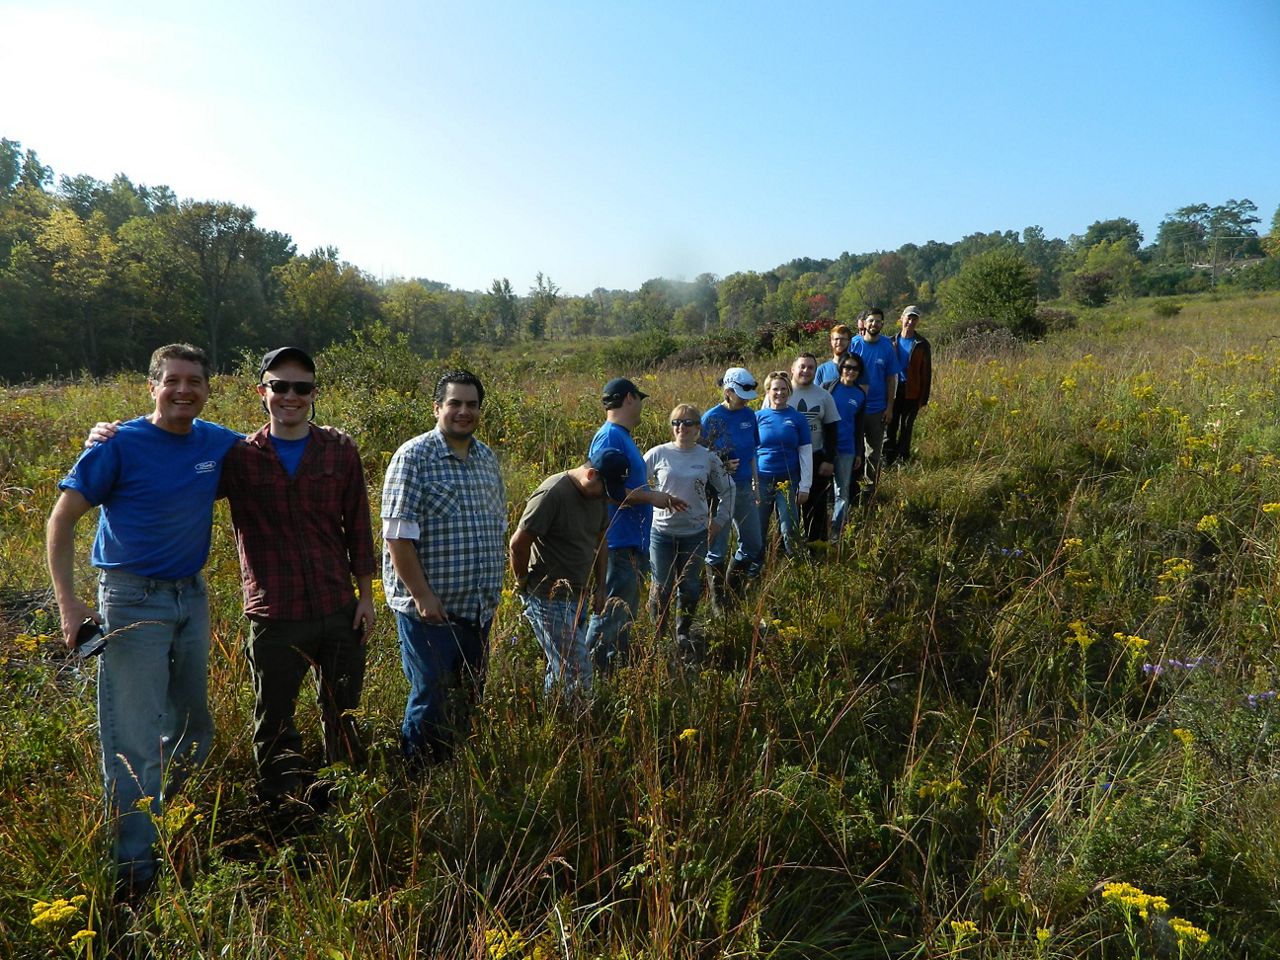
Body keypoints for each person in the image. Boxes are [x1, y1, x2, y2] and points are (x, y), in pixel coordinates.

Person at [46, 343, 242, 901]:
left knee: (191, 725)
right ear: (152, 386)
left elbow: (273, 445)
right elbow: (61, 522)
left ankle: (179, 834)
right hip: (132, 600)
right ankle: (135, 870)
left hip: (191, 597)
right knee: (132, 738)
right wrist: (70, 604)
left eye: (194, 381)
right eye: (172, 381)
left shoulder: (216, 442)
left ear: (208, 389)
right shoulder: (119, 445)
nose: (184, 390)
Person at [219, 347, 377, 808]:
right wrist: (111, 435)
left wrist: (365, 597)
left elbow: (359, 525)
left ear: (312, 394)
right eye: (279, 386)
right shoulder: (240, 456)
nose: (290, 396)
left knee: (342, 710)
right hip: (275, 612)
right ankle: (281, 803)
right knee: (274, 715)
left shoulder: (340, 449)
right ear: (262, 392)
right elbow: (174, 455)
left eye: (301, 388)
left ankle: (344, 795)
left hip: (336, 606)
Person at [382, 370, 507, 767]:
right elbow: (398, 536)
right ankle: (418, 780)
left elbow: (495, 524)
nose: (463, 412)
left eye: (471, 404)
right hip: (430, 613)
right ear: (437, 408)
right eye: (454, 403)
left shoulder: (486, 457)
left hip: (476, 608)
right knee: (431, 696)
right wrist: (422, 596)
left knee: (469, 694)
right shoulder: (414, 457)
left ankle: (455, 773)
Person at [584, 377, 688, 673]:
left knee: (623, 614)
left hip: (631, 540)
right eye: (639, 399)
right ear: (629, 398)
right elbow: (606, 490)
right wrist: (652, 496)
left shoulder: (621, 436)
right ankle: (595, 676)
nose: (641, 405)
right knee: (611, 615)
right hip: (618, 542)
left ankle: (614, 672)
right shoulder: (610, 438)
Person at [509, 450, 627, 699]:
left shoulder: (598, 497)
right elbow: (518, 544)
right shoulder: (553, 493)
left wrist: (601, 586)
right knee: (578, 669)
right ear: (592, 474)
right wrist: (522, 583)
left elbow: (601, 540)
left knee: (560, 666)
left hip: (579, 595)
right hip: (547, 597)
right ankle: (581, 728)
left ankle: (553, 717)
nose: (605, 498)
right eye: (605, 491)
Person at [644, 405, 735, 655]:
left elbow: (728, 489)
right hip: (661, 533)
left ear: (698, 428)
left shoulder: (707, 457)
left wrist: (719, 521)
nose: (681, 428)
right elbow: (637, 487)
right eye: (676, 423)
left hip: (695, 534)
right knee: (661, 587)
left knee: (691, 587)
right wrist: (656, 499)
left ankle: (682, 632)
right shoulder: (657, 454)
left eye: (687, 423)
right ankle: (659, 636)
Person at [700, 367, 762, 604]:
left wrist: (755, 482)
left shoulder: (749, 415)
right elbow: (699, 457)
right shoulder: (711, 418)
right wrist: (720, 466)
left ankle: (733, 590)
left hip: (745, 486)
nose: (746, 401)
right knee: (717, 546)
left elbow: (752, 452)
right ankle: (719, 603)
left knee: (753, 542)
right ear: (727, 392)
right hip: (719, 491)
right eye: (741, 395)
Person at [755, 371, 812, 557]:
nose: (779, 393)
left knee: (789, 527)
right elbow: (750, 451)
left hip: (788, 480)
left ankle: (795, 563)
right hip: (762, 479)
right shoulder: (757, 417)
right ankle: (757, 566)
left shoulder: (797, 418)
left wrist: (805, 485)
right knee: (759, 527)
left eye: (783, 389)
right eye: (775, 389)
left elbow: (805, 452)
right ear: (768, 392)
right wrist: (752, 479)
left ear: (789, 391)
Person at [788, 353, 841, 545]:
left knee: (816, 506)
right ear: (793, 369)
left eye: (811, 367)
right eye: (802, 366)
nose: (806, 371)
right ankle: (789, 547)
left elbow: (833, 430)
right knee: (787, 507)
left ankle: (815, 546)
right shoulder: (779, 393)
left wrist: (828, 460)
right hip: (787, 459)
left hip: (816, 458)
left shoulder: (823, 396)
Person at [849, 306, 901, 500]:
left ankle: (869, 493)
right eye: (871, 320)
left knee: (873, 454)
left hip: (877, 410)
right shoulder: (855, 344)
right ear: (865, 322)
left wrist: (890, 407)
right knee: (853, 452)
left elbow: (890, 379)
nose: (874, 324)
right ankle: (851, 491)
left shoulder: (887, 346)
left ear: (882, 324)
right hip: (855, 409)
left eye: (878, 321)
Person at [885, 305, 933, 466]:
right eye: (908, 318)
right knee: (890, 426)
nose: (910, 321)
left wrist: (923, 398)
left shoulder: (922, 344)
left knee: (906, 427)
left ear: (918, 321)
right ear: (901, 319)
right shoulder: (890, 341)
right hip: (892, 390)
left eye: (914, 319)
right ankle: (887, 459)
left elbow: (926, 373)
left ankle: (902, 460)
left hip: (912, 391)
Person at [828, 354, 867, 537]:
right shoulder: (828, 388)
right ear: (841, 368)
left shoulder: (860, 394)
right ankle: (817, 528)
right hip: (825, 448)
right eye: (848, 367)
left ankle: (836, 530)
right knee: (818, 490)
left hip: (847, 448)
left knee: (842, 491)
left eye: (855, 369)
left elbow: (859, 427)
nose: (851, 371)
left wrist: (859, 452)